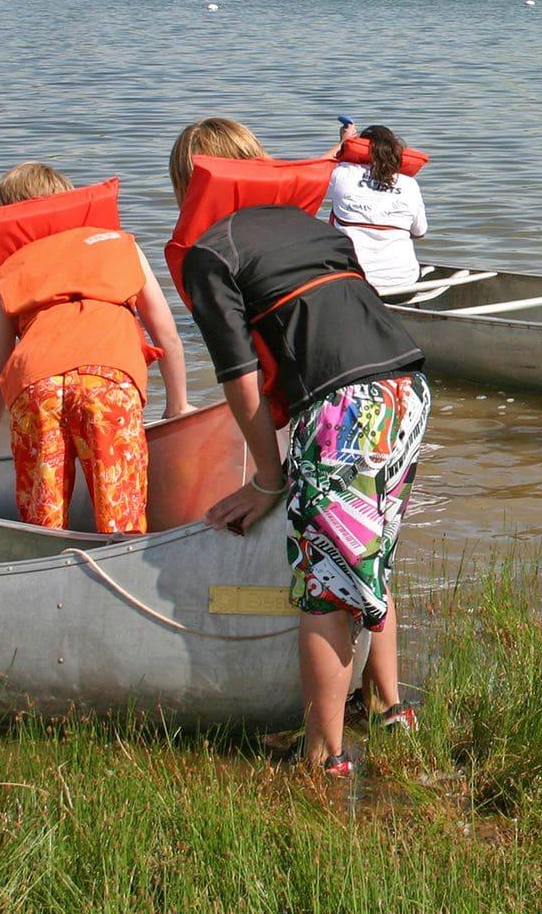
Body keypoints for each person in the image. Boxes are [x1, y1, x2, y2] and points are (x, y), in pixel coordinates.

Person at [166, 117, 433, 776]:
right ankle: (391, 709)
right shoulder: (316, 229)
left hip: (345, 408)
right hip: (409, 387)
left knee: (325, 587)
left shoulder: (209, 251)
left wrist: (267, 476)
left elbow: (239, 377)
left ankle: (324, 755)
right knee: (371, 553)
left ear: (188, 183)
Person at [0, 163, 191, 532]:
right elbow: (167, 336)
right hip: (108, 380)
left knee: (43, 519)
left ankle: (46, 562)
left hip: (36, 387)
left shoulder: (8, 270)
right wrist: (178, 405)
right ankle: (119, 558)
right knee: (120, 515)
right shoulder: (122, 247)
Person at [324, 123, 428, 295]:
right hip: (404, 285)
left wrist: (344, 143)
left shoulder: (341, 173)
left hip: (354, 287)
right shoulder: (410, 184)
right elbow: (419, 231)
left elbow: (313, 168)